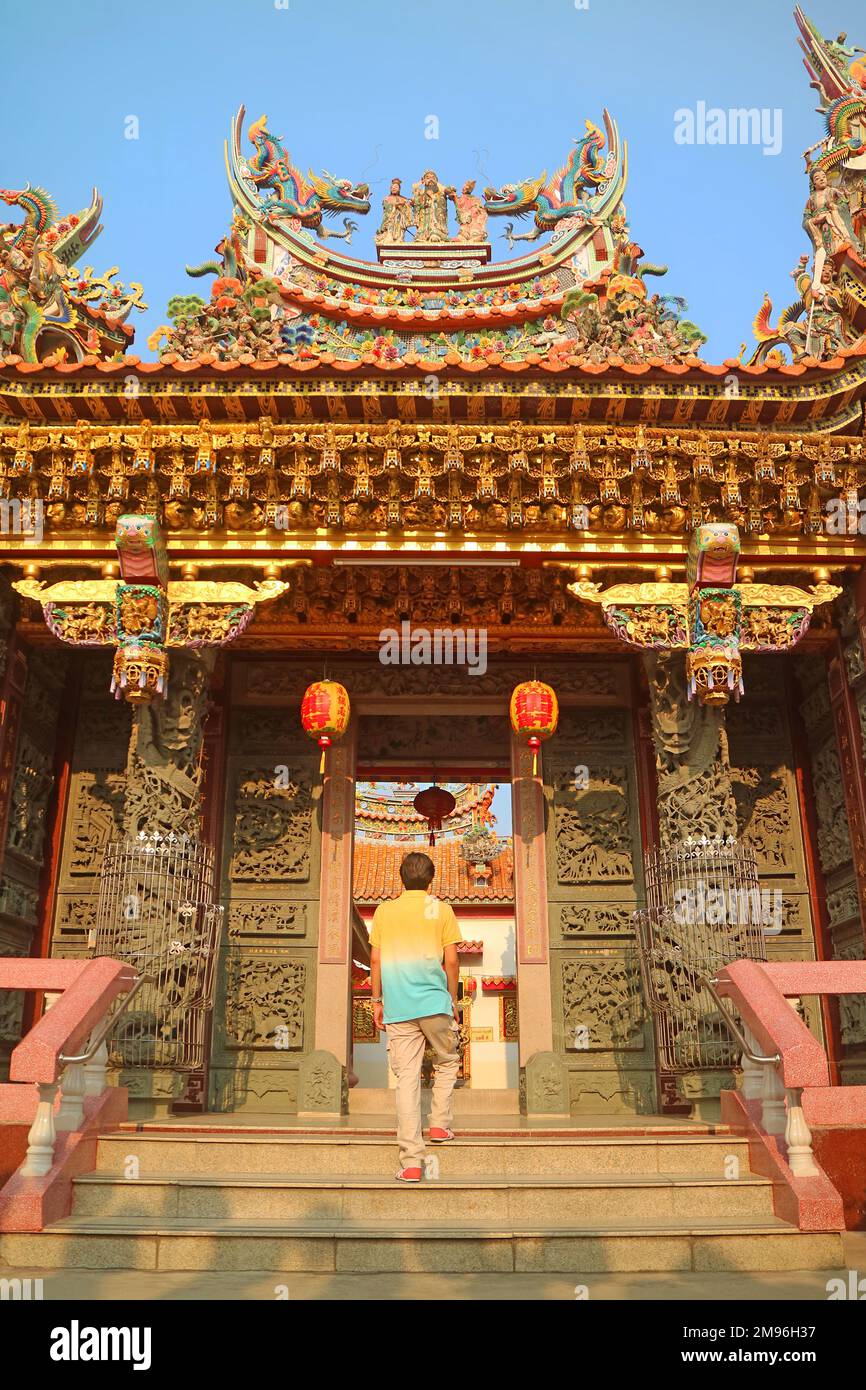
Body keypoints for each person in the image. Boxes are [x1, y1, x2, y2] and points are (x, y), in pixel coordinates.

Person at [370, 850, 462, 1182]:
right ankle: (439, 1125)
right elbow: (451, 961)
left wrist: (376, 999)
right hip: (435, 1003)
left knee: (407, 1079)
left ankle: (411, 1161)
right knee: (448, 1060)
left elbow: (376, 961)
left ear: (401, 877)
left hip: (399, 1006)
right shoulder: (442, 910)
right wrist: (452, 999)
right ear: (431, 878)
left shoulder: (384, 911)